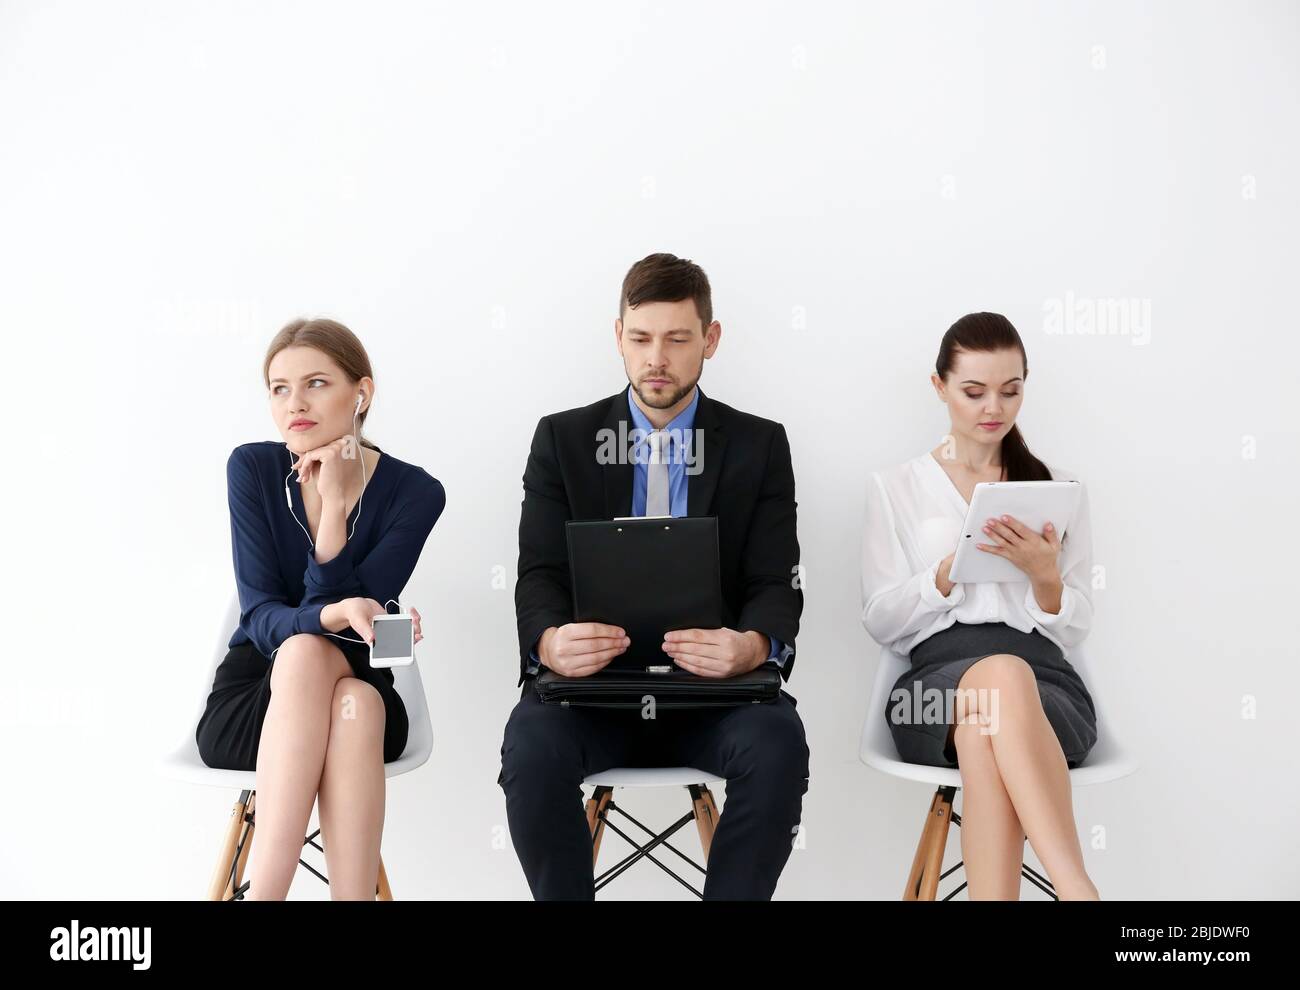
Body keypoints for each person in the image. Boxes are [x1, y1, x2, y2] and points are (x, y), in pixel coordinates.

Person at [499, 252, 810, 900]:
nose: (656, 358)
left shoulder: (760, 446)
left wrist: (751, 646)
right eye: (640, 339)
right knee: (531, 745)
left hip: (712, 699)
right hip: (593, 696)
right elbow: (539, 575)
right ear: (619, 337)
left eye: (677, 339)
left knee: (777, 744)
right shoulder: (563, 439)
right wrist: (552, 642)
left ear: (711, 339)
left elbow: (775, 584)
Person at [196, 317, 446, 900]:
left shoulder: (415, 493)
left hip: (359, 690)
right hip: (254, 704)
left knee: (347, 688)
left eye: (315, 383)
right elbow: (260, 621)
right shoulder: (253, 469)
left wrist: (333, 509)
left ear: (361, 393)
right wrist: (336, 615)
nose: (294, 404)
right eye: (279, 388)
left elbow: (358, 641)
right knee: (308, 653)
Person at [860, 311, 1101, 900]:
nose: (993, 406)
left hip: (1047, 694)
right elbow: (881, 622)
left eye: (1010, 390)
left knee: (983, 726)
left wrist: (1046, 579)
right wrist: (940, 580)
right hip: (930, 692)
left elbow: (1076, 626)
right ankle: (1078, 890)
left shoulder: (1057, 488)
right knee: (997, 679)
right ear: (939, 386)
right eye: (974, 391)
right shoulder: (896, 488)